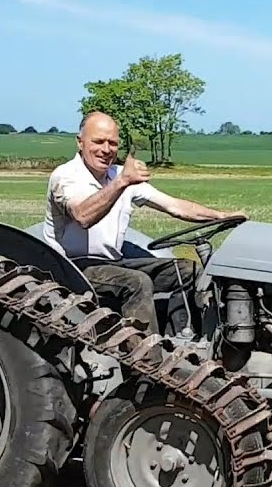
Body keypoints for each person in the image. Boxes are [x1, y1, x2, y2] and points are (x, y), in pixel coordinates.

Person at [43, 111, 247, 336]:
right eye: (98, 141)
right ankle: (146, 360)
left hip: (113, 263)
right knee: (138, 282)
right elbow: (83, 216)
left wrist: (220, 216)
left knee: (187, 271)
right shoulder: (66, 177)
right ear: (80, 142)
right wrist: (122, 182)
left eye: (112, 143)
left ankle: (182, 338)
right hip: (73, 267)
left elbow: (175, 206)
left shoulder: (120, 175)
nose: (106, 149)